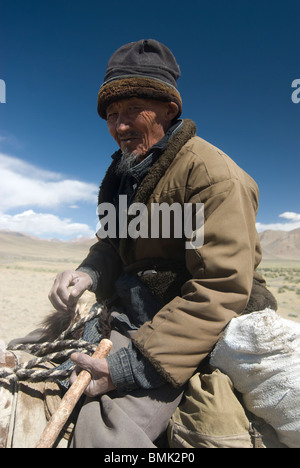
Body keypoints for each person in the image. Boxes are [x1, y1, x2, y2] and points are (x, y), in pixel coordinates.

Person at [46, 39, 276, 448]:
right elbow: (113, 244)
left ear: (170, 110)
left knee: (104, 434)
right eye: (112, 113)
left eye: (134, 109)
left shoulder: (213, 175)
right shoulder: (125, 174)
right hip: (134, 313)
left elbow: (221, 288)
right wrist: (86, 274)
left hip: (189, 327)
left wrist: (129, 368)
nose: (120, 125)